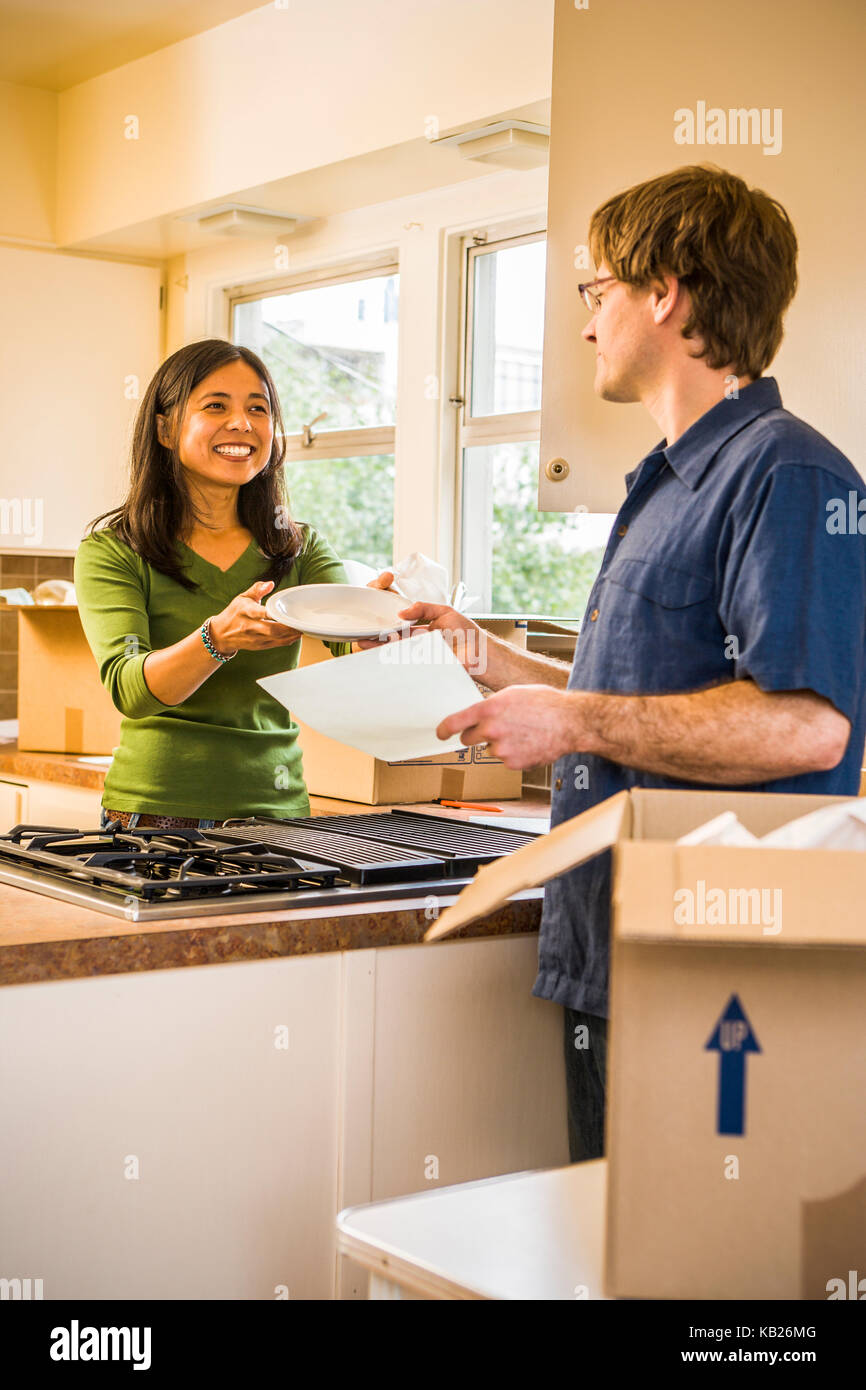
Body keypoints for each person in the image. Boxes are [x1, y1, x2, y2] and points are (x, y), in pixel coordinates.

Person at [385, 165, 866, 1162]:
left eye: (594, 289)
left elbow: (807, 725)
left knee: (702, 1287)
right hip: (613, 950)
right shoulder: (666, 480)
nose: (584, 321)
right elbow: (639, 699)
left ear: (664, 292)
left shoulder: (787, 472)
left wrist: (568, 723)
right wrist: (481, 657)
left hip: (712, 971)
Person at [75, 338, 376, 830]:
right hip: (156, 813)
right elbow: (131, 689)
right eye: (216, 406)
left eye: (259, 409)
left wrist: (384, 624)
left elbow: (352, 649)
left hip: (281, 813)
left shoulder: (297, 548)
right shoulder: (115, 551)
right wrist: (216, 641)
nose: (243, 423)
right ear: (166, 428)